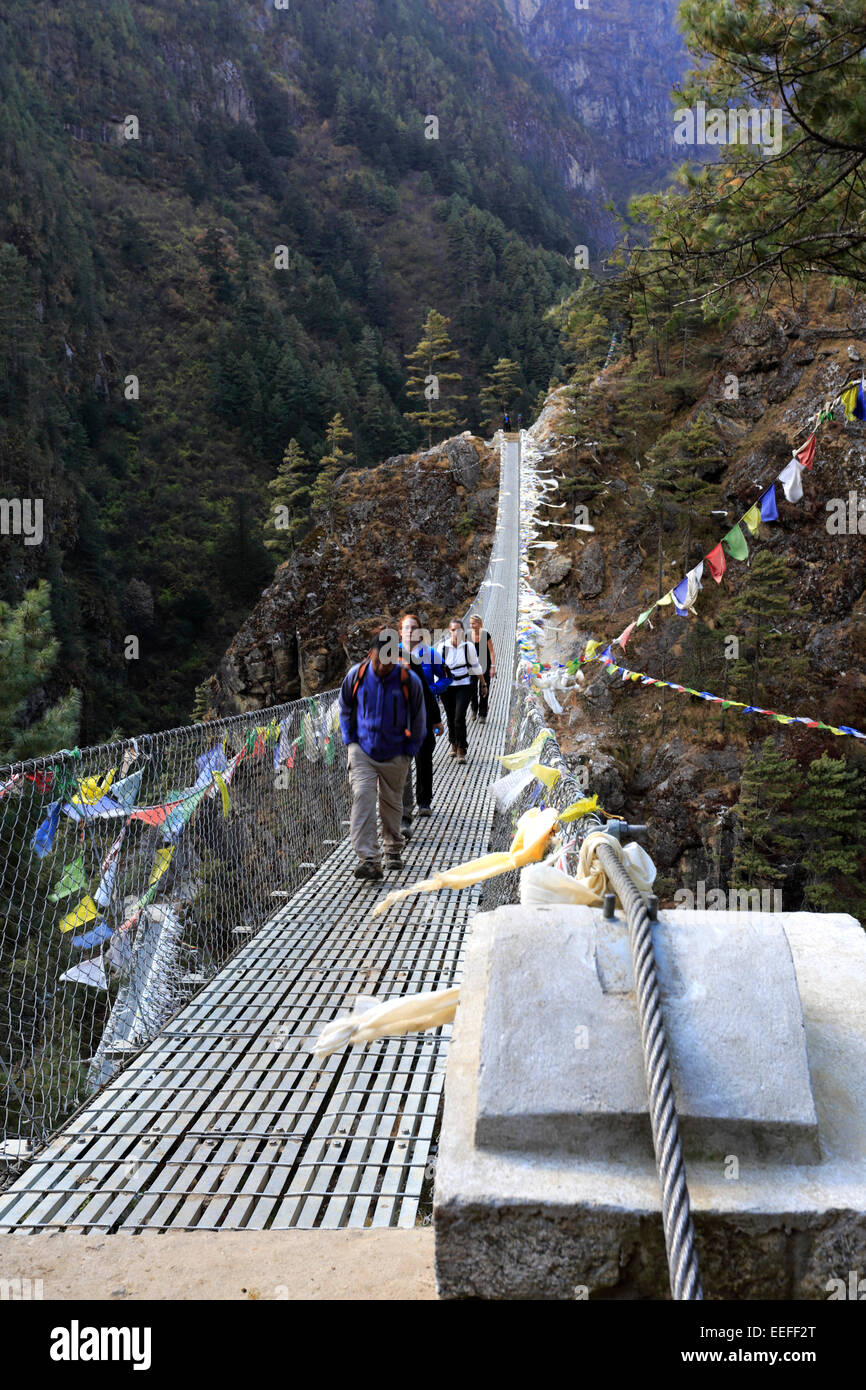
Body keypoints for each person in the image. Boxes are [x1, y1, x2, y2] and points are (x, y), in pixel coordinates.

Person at [339, 627, 426, 880]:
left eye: (389, 662)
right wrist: (350, 740)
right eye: (379, 661)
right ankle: (369, 859)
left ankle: (393, 849)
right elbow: (345, 707)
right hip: (362, 750)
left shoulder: (409, 680)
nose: (383, 667)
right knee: (363, 796)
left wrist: (408, 752)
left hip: (395, 753)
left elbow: (419, 719)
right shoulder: (357, 675)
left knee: (391, 803)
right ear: (370, 654)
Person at [398, 614, 443, 836]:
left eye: (414, 628)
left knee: (424, 757)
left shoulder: (428, 654)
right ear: (400, 631)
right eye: (406, 628)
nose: (410, 632)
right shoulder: (391, 654)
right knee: (403, 765)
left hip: (422, 714)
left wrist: (436, 715)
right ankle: (404, 812)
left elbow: (438, 681)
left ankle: (424, 801)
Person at [436, 618, 486, 764]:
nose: (456, 633)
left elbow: (475, 666)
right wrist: (436, 689)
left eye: (459, 630)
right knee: (450, 717)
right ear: (449, 631)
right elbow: (437, 669)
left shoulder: (468, 647)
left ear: (463, 631)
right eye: (453, 630)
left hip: (464, 685)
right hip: (447, 687)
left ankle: (461, 749)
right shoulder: (442, 647)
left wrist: (483, 683)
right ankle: (453, 742)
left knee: (459, 717)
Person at [467, 613, 496, 723]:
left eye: (473, 623)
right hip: (472, 666)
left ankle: (482, 714)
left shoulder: (485, 635)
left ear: (479, 624)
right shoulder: (468, 636)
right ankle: (474, 709)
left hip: (485, 664)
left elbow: (492, 652)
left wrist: (493, 666)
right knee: (472, 688)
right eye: (470, 624)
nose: (471, 626)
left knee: (484, 689)